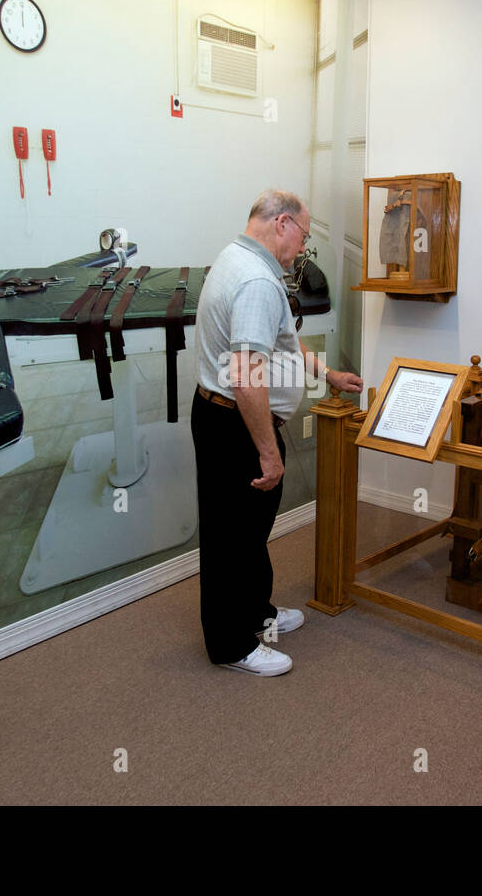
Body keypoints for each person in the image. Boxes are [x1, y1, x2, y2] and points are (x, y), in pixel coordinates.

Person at [191, 190, 363, 676]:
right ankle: (232, 645)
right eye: (304, 238)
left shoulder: (240, 257)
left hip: (228, 416)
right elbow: (246, 376)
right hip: (235, 424)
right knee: (231, 539)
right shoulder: (256, 282)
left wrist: (325, 374)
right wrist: (269, 453)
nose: (301, 249)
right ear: (283, 223)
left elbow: (284, 340)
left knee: (248, 531)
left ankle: (257, 614)